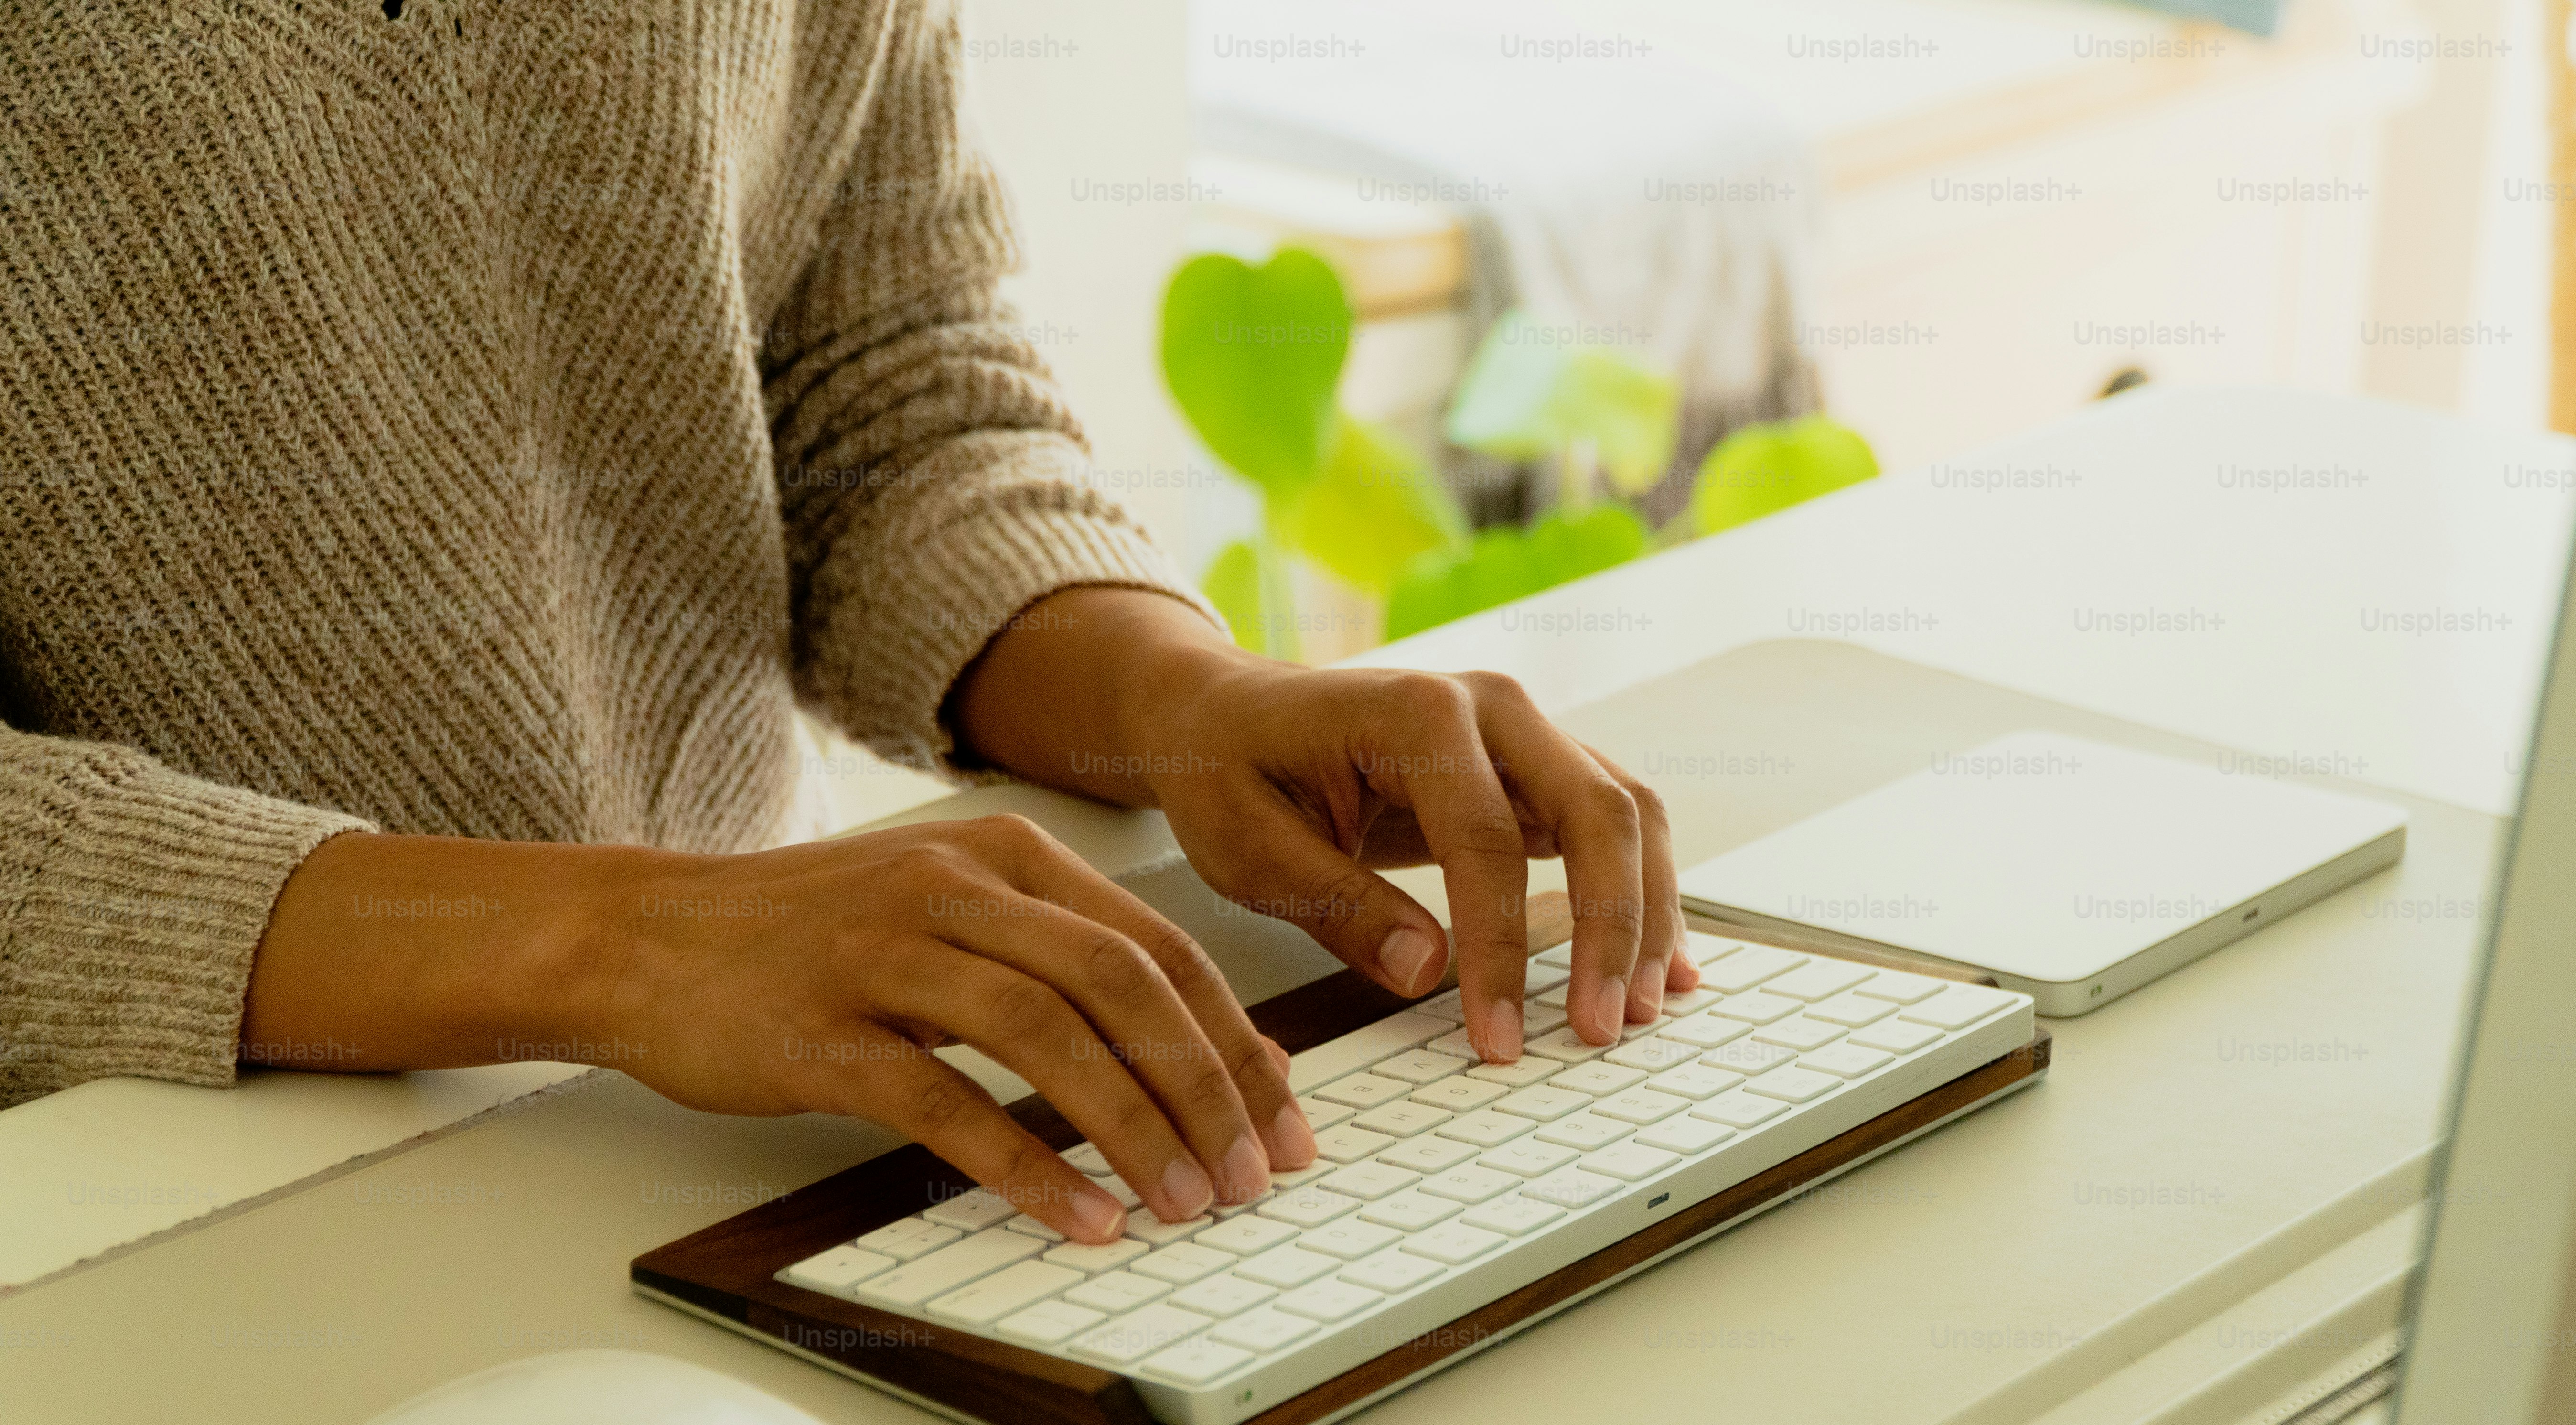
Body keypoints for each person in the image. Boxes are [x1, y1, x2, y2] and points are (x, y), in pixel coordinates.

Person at [0, 0, 1694, 1245]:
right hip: (127, 1209)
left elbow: (878, 399)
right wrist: (621, 944)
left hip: (743, 1121)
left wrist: (1175, 692)